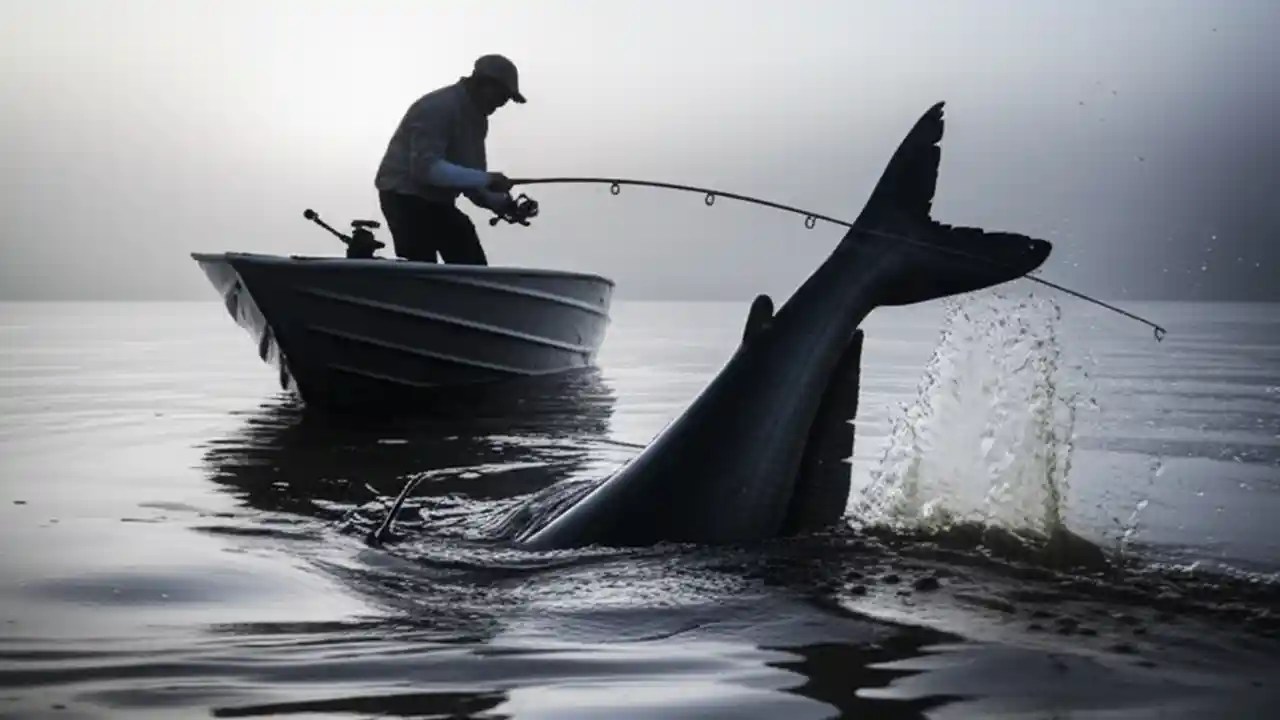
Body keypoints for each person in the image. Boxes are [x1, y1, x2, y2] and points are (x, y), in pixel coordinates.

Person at [374, 54, 526, 265]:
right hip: (403, 198)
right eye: (501, 96)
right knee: (421, 264)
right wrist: (485, 179)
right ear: (483, 83)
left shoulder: (478, 120)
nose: (501, 104)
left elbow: (471, 182)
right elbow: (426, 169)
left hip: (438, 202)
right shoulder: (436, 107)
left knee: (470, 258)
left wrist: (503, 205)